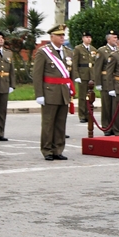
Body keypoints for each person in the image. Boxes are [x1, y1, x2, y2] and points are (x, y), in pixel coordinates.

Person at [33, 24, 74, 160]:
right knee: (48, 123)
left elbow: (69, 74)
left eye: (63, 35)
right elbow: (37, 75)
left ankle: (58, 149)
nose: (62, 37)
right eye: (59, 35)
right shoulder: (43, 52)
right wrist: (39, 94)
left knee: (60, 123)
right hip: (49, 92)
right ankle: (47, 150)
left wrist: (71, 89)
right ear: (52, 37)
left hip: (63, 92)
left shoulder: (68, 52)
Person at [93, 30, 119, 133]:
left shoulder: (118, 50)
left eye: (116, 38)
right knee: (107, 105)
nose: (116, 40)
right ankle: (106, 126)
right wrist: (98, 83)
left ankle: (114, 125)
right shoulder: (102, 51)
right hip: (105, 81)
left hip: (115, 80)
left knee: (115, 106)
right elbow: (97, 68)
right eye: (114, 38)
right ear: (108, 39)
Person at [71, 32, 97, 124]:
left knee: (90, 96)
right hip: (82, 75)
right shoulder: (78, 49)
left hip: (91, 75)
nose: (88, 39)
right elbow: (75, 63)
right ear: (83, 38)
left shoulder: (93, 49)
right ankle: (82, 115)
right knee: (82, 96)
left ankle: (89, 114)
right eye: (86, 37)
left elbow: (95, 63)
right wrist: (76, 75)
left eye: (90, 37)